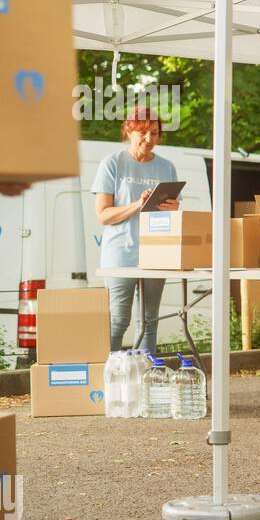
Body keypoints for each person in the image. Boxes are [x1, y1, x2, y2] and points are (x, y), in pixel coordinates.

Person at [91, 106, 179, 355]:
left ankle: (146, 376)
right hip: (120, 254)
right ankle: (109, 375)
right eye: (143, 133)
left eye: (154, 133)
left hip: (156, 254)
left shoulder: (167, 167)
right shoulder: (112, 164)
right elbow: (103, 215)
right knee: (119, 319)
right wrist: (137, 205)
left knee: (150, 321)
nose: (149, 140)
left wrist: (172, 207)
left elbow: (170, 217)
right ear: (129, 131)